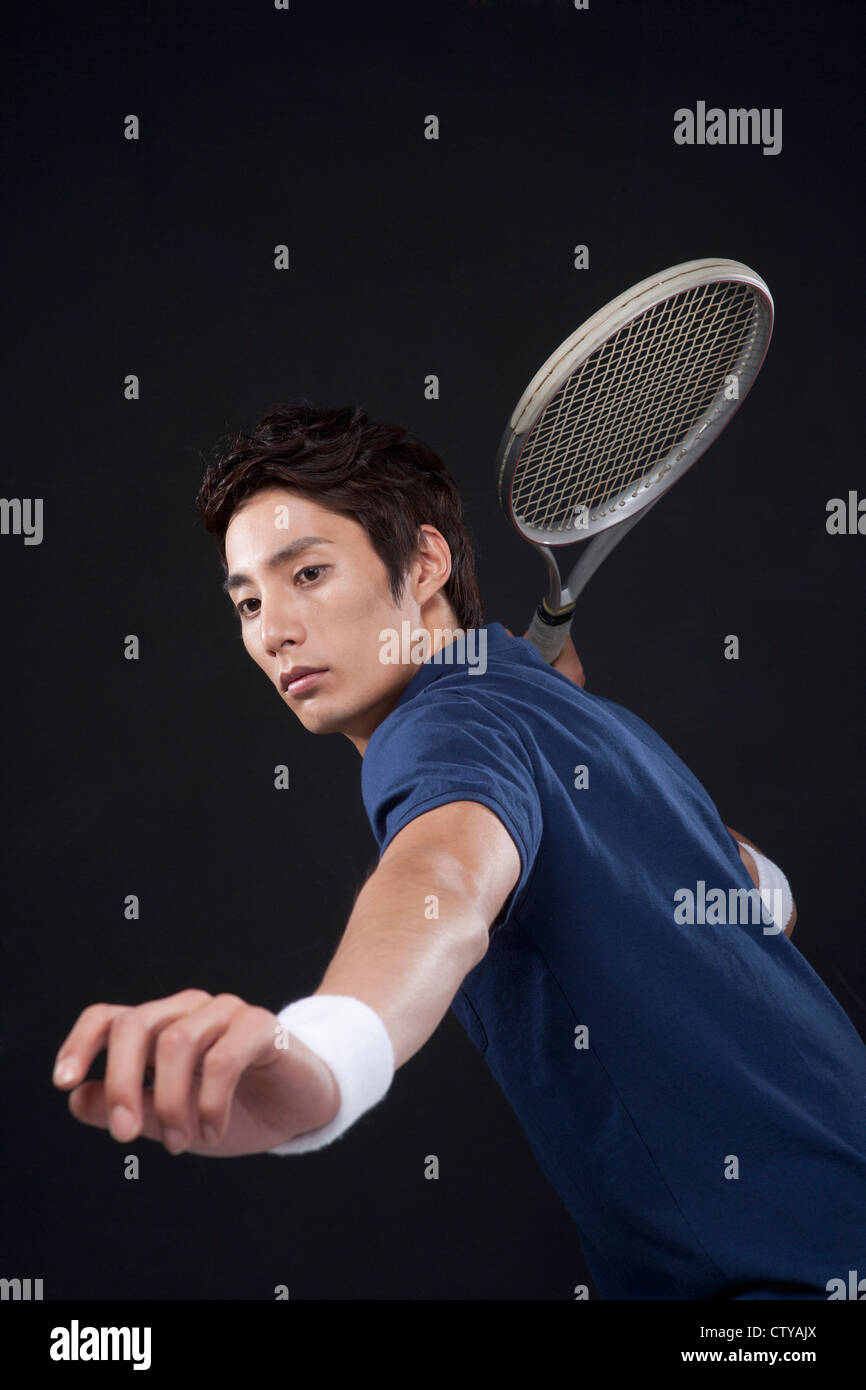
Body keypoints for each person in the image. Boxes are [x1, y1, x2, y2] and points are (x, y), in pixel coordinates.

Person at [52, 403, 866, 1299]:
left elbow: (442, 874)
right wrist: (593, 757)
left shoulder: (437, 728)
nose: (271, 629)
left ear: (426, 562)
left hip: (769, 1294)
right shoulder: (578, 719)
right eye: (247, 600)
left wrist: (327, 1056)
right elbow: (763, 902)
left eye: (309, 573)